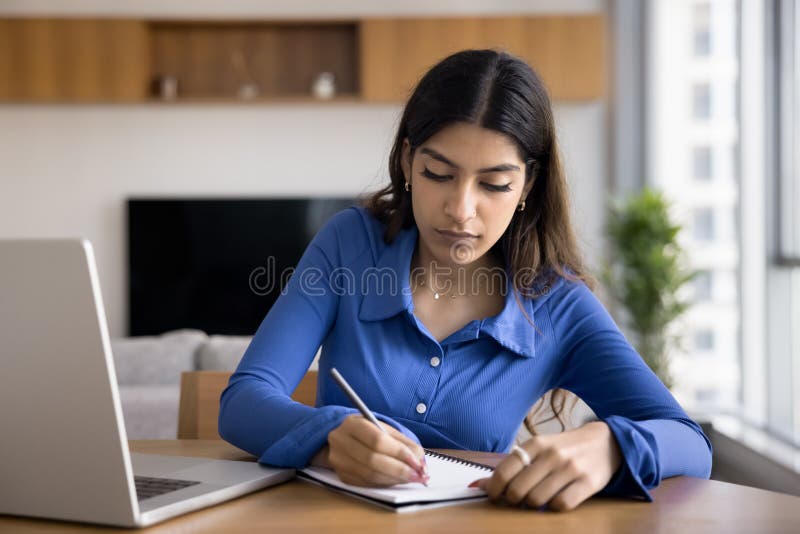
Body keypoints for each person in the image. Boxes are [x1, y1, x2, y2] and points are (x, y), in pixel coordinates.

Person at [218, 49, 712, 511]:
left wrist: (609, 446)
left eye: (495, 184)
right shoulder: (350, 244)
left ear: (527, 187)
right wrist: (329, 436)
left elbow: (690, 443)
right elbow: (243, 402)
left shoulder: (558, 303)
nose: (460, 210)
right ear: (409, 161)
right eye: (438, 173)